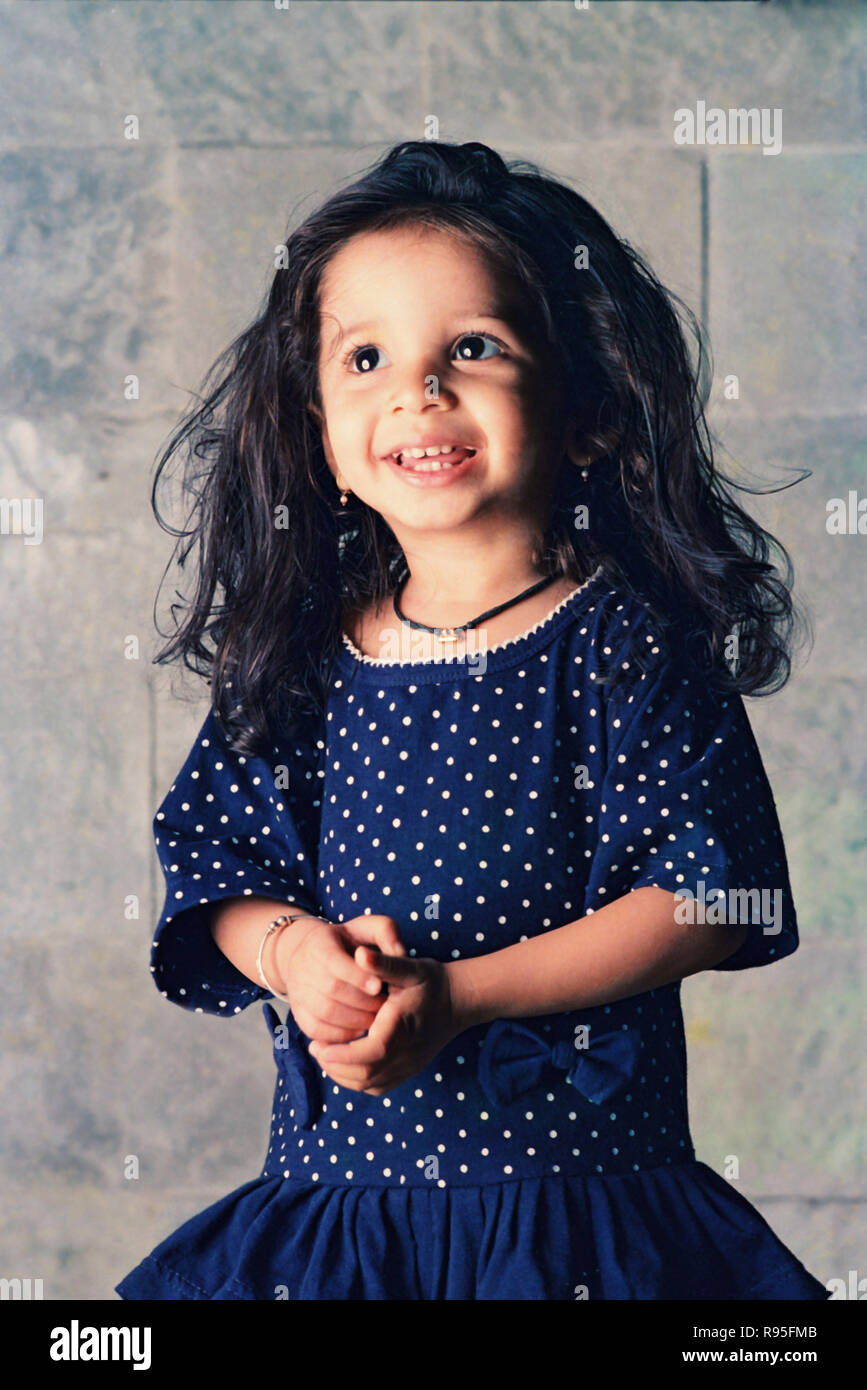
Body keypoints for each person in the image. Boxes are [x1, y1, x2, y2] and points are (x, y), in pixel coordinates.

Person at [116, 140, 828, 1301]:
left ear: (587, 407)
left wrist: (460, 996)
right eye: (366, 357)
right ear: (319, 435)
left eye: (476, 348)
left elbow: (711, 895)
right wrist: (297, 957)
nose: (418, 389)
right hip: (343, 1231)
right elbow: (215, 870)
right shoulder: (302, 659)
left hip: (582, 1228)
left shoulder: (625, 644)